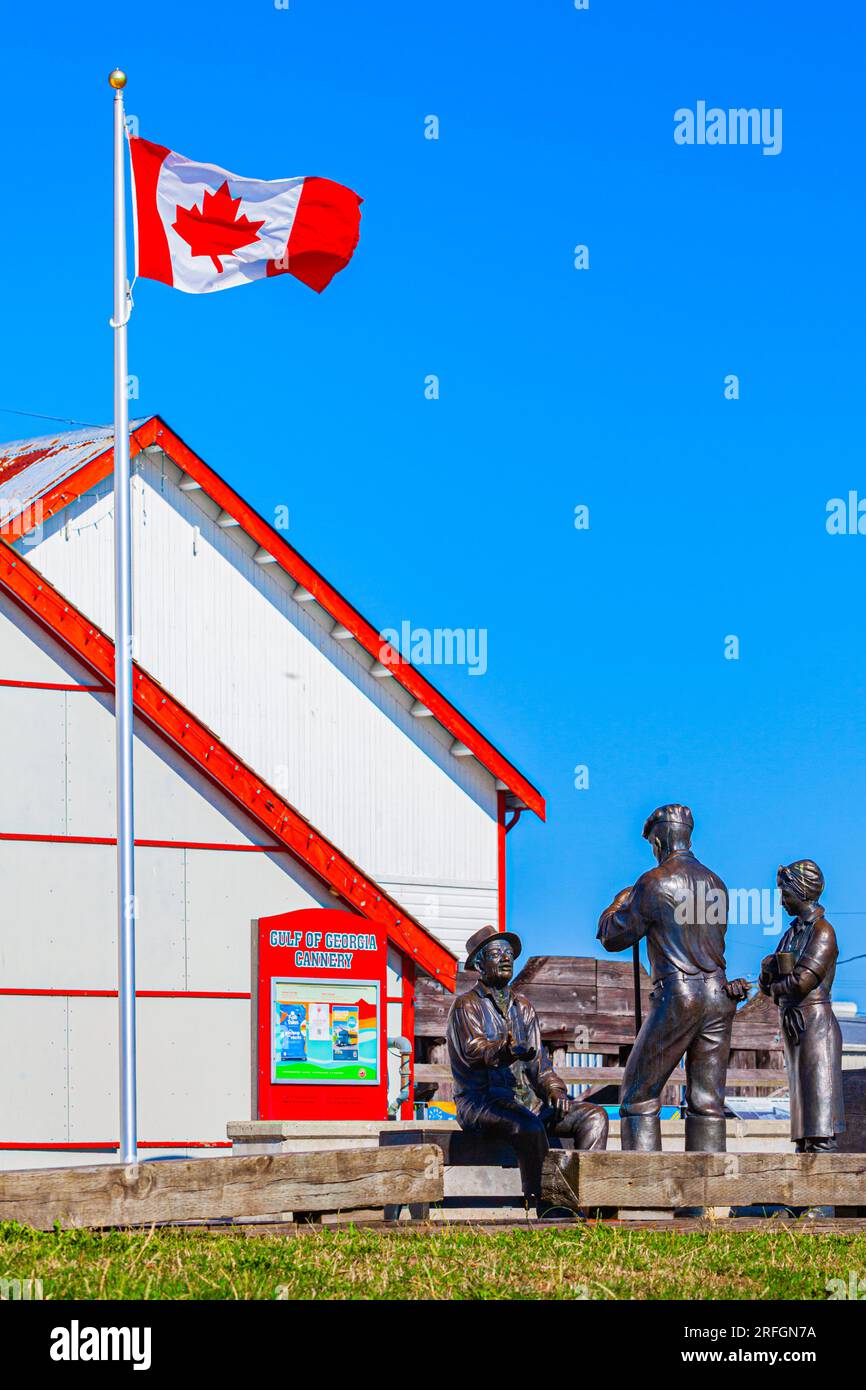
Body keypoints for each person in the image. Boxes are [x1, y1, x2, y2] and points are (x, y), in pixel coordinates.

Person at [597, 804, 749, 1152]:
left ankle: (644, 1200)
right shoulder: (717, 884)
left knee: (638, 1096)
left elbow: (613, 936)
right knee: (707, 1103)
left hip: (680, 994)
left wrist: (617, 904)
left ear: (662, 838)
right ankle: (705, 1204)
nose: (653, 850)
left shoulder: (654, 882)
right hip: (718, 994)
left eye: (653, 842)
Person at [446, 922, 608, 1217]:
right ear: (479, 964)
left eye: (509, 953)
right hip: (482, 1102)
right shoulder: (465, 1006)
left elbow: (540, 1067)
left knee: (594, 1117)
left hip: (527, 1104)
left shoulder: (524, 1008)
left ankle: (586, 1200)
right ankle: (548, 1204)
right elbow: (474, 1051)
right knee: (527, 1126)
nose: (506, 958)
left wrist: (555, 1090)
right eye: (497, 954)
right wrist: (505, 1050)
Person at [760, 860, 845, 1152]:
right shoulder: (792, 933)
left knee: (820, 1123)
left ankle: (824, 1193)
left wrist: (773, 984)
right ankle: (804, 1189)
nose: (782, 900)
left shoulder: (823, 931)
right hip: (796, 1028)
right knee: (804, 1126)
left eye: (786, 893)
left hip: (816, 1028)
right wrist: (767, 972)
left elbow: (801, 982)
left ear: (803, 891)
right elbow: (771, 982)